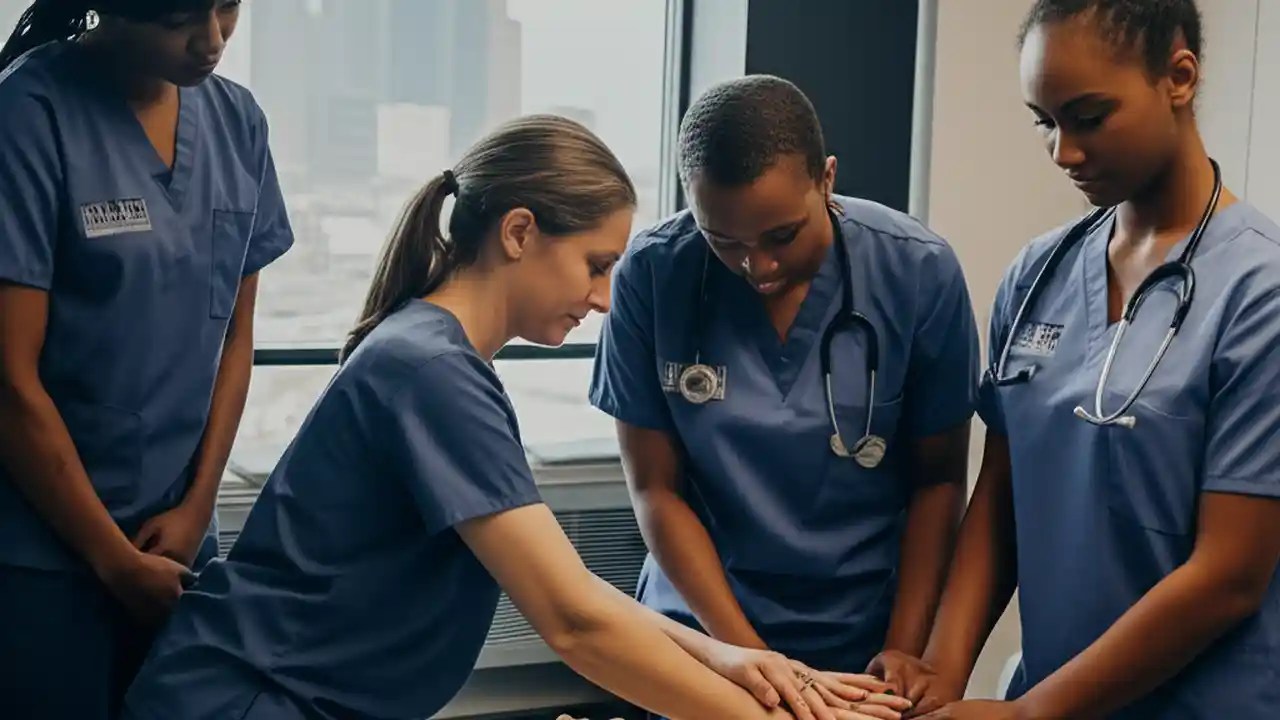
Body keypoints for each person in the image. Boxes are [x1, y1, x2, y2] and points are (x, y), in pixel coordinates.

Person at [121, 114, 909, 720]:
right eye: (596, 265)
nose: (605, 298)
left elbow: (577, 591)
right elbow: (572, 623)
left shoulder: (435, 356)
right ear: (520, 232)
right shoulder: (430, 371)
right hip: (243, 700)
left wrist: (728, 659)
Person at [872, 2, 1280, 718]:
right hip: (1052, 692)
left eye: (1088, 117)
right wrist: (941, 667)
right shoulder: (1039, 275)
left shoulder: (1259, 293)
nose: (1064, 151)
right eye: (1044, 120)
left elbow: (1230, 574)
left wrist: (1032, 715)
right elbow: (1001, 493)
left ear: (1178, 77)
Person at [589, 73, 979, 718]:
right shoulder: (655, 273)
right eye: (725, 241)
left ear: (826, 178)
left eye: (781, 236)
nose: (757, 267)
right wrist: (749, 662)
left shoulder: (916, 271)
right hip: (704, 638)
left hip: (861, 641)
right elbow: (655, 488)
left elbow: (937, 481)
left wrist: (908, 647)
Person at [0, 1, 292, 718]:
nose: (213, 39)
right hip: (46, 553)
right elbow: (8, 381)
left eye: (228, 7)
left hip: (179, 545)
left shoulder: (239, 123)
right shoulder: (28, 114)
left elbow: (235, 337)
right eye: (181, 19)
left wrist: (197, 510)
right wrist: (112, 559)